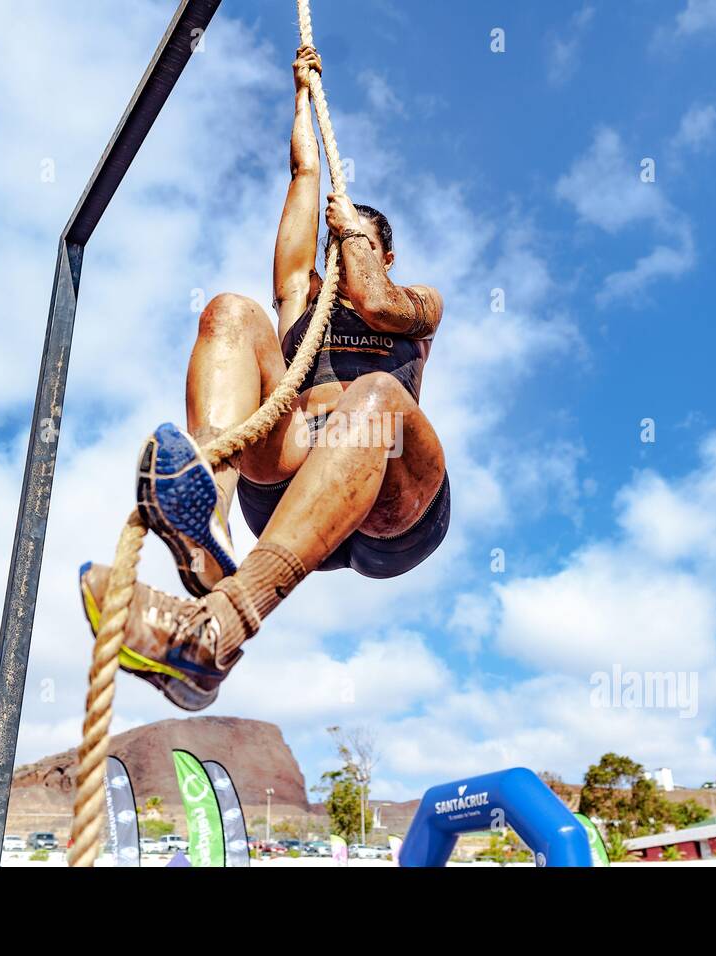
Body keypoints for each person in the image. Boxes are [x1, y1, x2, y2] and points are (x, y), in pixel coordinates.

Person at [79, 45, 449, 710]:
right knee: (231, 312)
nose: (334, 258)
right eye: (332, 249)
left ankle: (225, 623)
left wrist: (354, 239)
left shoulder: (416, 306)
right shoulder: (300, 300)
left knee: (376, 398)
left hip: (396, 503)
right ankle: (206, 538)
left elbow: (376, 300)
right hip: (291, 481)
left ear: (382, 252)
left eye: (354, 245)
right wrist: (304, 95)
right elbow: (305, 172)